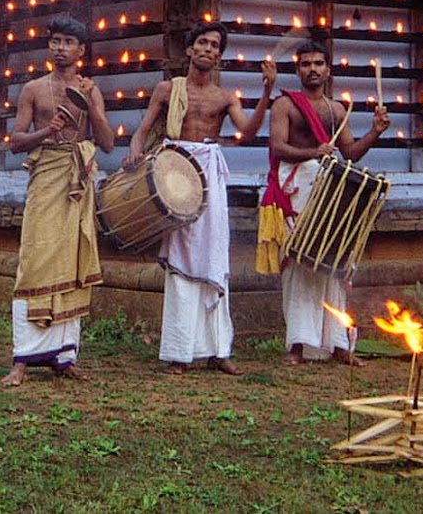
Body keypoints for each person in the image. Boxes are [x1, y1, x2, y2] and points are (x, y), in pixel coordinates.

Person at [127, 23, 275, 375]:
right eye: (203, 43)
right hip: (174, 172)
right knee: (180, 256)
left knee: (213, 254)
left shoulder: (225, 97)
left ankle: (218, 350)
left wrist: (267, 91)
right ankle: (179, 352)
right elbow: (143, 130)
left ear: (219, 56)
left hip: (208, 175)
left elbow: (247, 131)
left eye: (215, 45)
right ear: (190, 49)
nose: (208, 49)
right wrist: (134, 153)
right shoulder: (168, 89)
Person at [1, 15, 114, 386]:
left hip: (77, 178)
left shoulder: (91, 89)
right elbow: (16, 141)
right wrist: (46, 132)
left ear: (81, 50)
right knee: (35, 258)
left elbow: (107, 143)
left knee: (72, 259)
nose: (60, 48)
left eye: (68, 42)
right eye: (55, 41)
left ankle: (65, 355)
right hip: (47, 176)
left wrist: (90, 104)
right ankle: (22, 358)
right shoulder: (33, 89)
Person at [265, 41, 390, 365]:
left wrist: (375, 132)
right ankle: (297, 346)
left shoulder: (337, 110)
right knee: (297, 265)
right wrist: (313, 153)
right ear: (298, 70)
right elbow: (278, 147)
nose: (313, 69)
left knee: (334, 264)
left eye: (318, 64)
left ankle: (338, 344)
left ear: (328, 70)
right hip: (296, 190)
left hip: (328, 191)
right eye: (306, 64)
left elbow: (350, 154)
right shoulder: (285, 105)